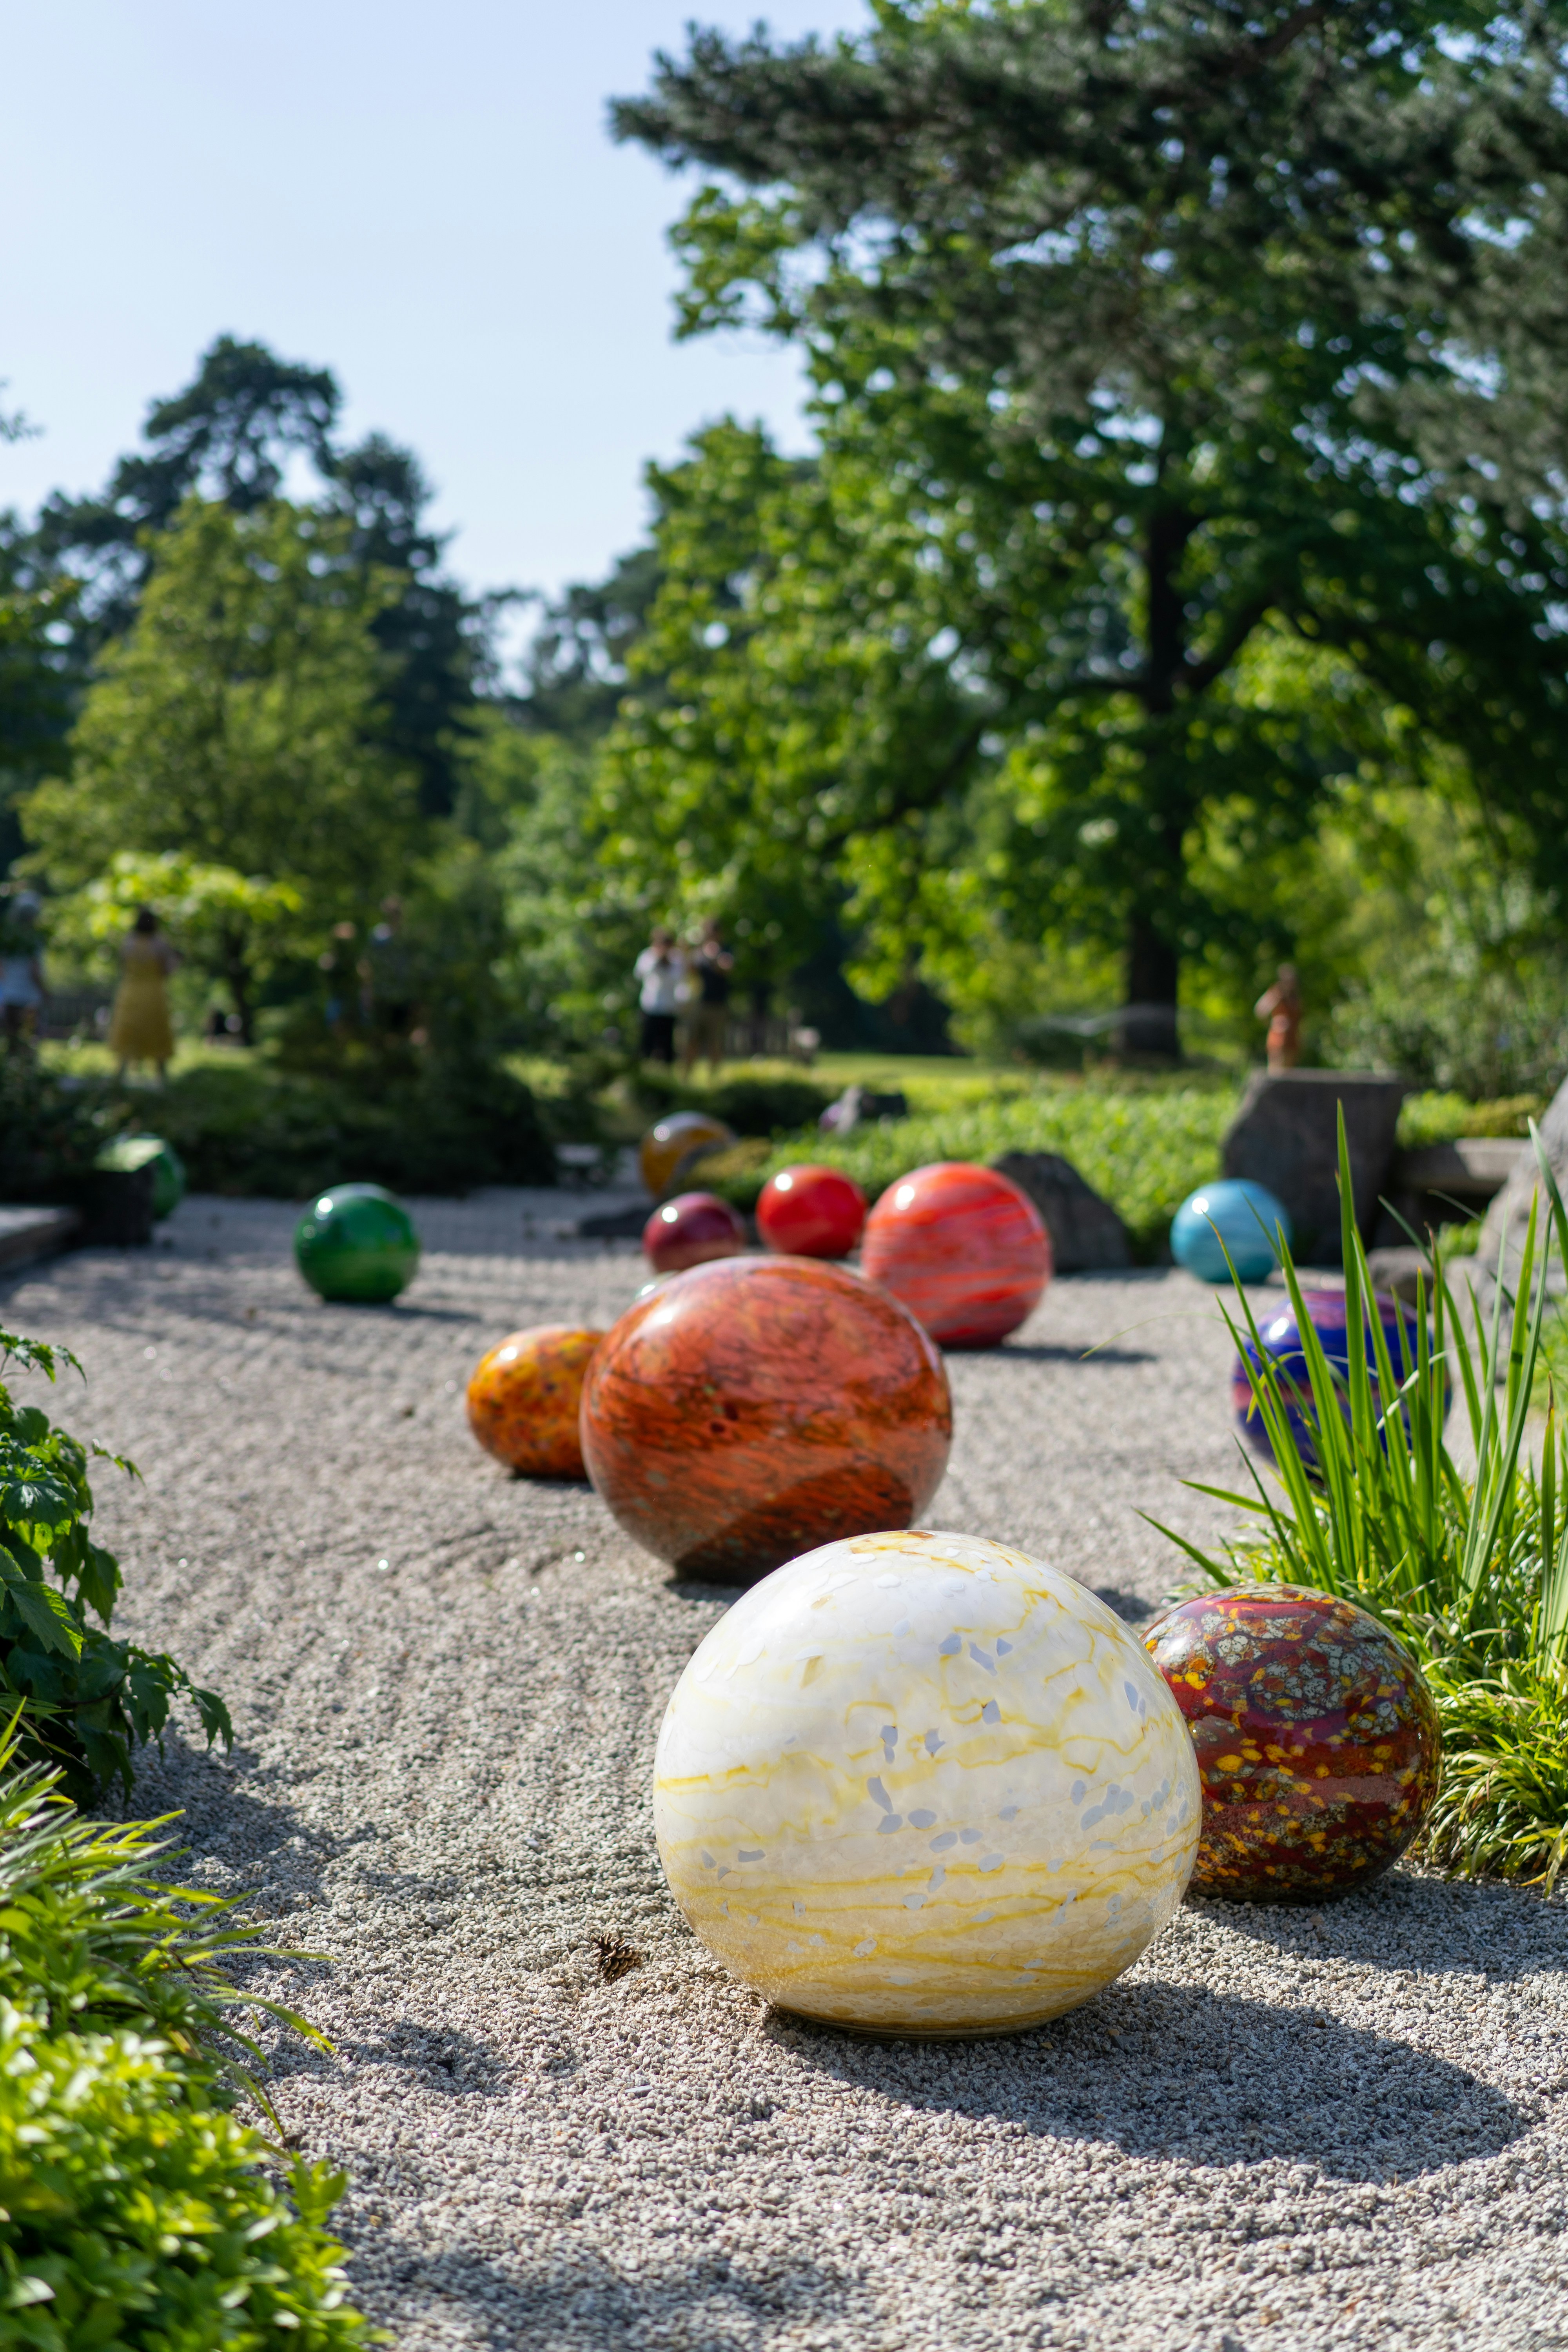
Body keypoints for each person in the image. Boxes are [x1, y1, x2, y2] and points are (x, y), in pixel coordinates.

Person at [108, 906, 178, 1081]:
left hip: (130, 991)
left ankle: (120, 1073)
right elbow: (167, 970)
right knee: (157, 1031)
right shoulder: (160, 943)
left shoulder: (128, 942)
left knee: (128, 1030)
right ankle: (162, 1076)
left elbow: (123, 966)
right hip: (154, 993)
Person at [682, 920, 734, 1077]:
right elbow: (690, 972)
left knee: (716, 1043)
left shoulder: (726, 950)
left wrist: (713, 956)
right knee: (692, 1039)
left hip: (718, 1004)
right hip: (699, 1003)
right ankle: (687, 1075)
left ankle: (714, 1078)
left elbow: (726, 969)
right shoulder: (699, 952)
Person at [0, 891, 47, 1056]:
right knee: (29, 1043)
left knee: (11, 1043)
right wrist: (45, 992)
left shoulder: (7, 939)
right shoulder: (34, 940)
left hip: (9, 996)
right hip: (29, 998)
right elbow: (35, 971)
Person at [633, 927, 684, 1065]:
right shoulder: (647, 956)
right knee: (648, 1040)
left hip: (669, 1006)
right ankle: (645, 1067)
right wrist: (657, 961)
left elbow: (678, 978)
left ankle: (667, 1070)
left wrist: (667, 964)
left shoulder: (677, 958)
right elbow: (640, 974)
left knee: (667, 1041)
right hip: (650, 1005)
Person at [1255, 964, 1303, 1072]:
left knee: (1289, 1075)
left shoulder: (1294, 996)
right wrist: (1274, 1022)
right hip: (1278, 1038)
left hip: (1292, 1039)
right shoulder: (1277, 993)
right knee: (1276, 1073)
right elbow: (1260, 1010)